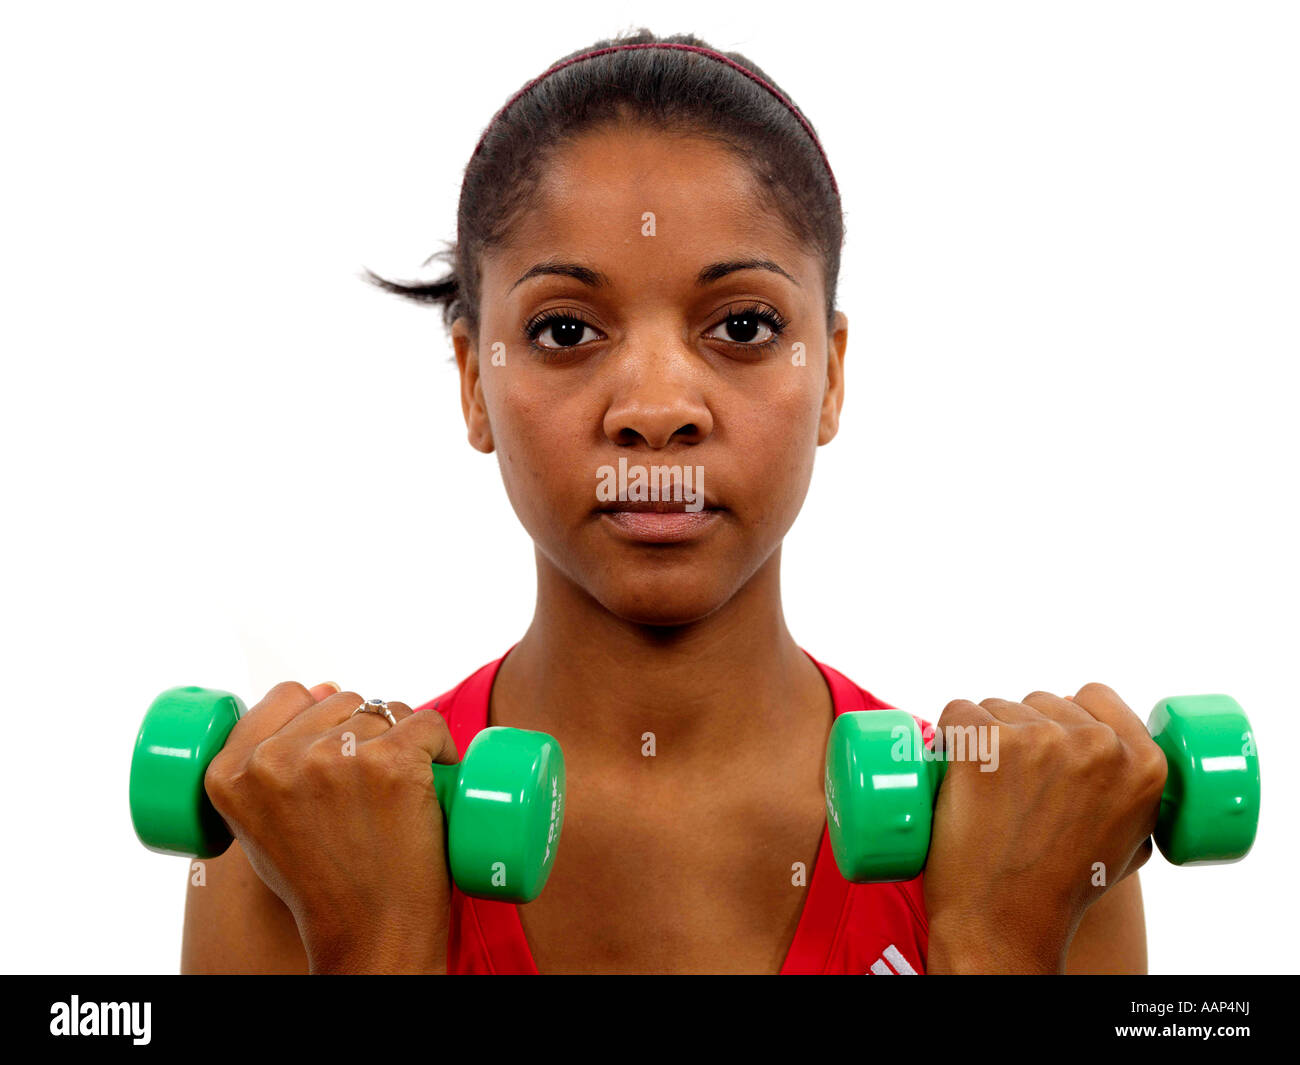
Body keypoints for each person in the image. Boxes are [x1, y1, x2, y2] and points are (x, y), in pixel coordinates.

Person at [183, 29, 1163, 975]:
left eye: (742, 324)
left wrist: (995, 943)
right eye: (566, 330)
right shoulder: (283, 850)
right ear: (472, 381)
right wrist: (374, 936)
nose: (655, 411)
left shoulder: (1049, 843)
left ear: (829, 377)